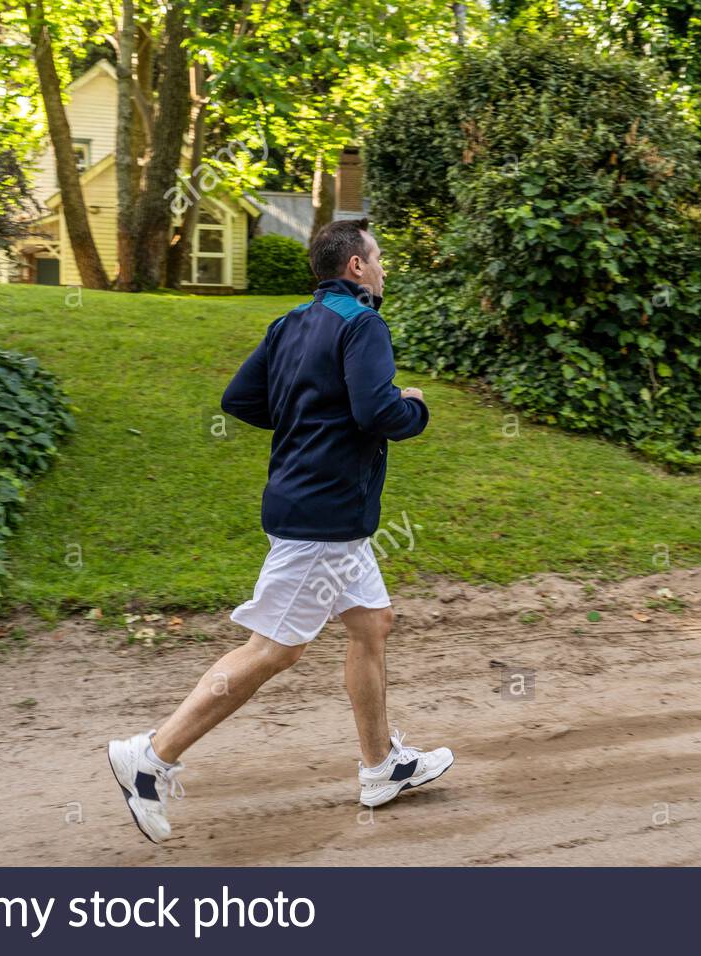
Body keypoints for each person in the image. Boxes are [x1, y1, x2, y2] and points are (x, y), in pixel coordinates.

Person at [106, 219, 453, 843]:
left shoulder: (288, 323)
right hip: (324, 517)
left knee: (371, 624)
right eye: (376, 260)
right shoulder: (364, 324)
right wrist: (416, 406)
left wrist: (309, 415)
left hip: (317, 510)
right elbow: (378, 411)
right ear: (354, 268)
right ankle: (151, 757)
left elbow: (241, 399)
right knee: (276, 649)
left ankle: (382, 767)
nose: (381, 269)